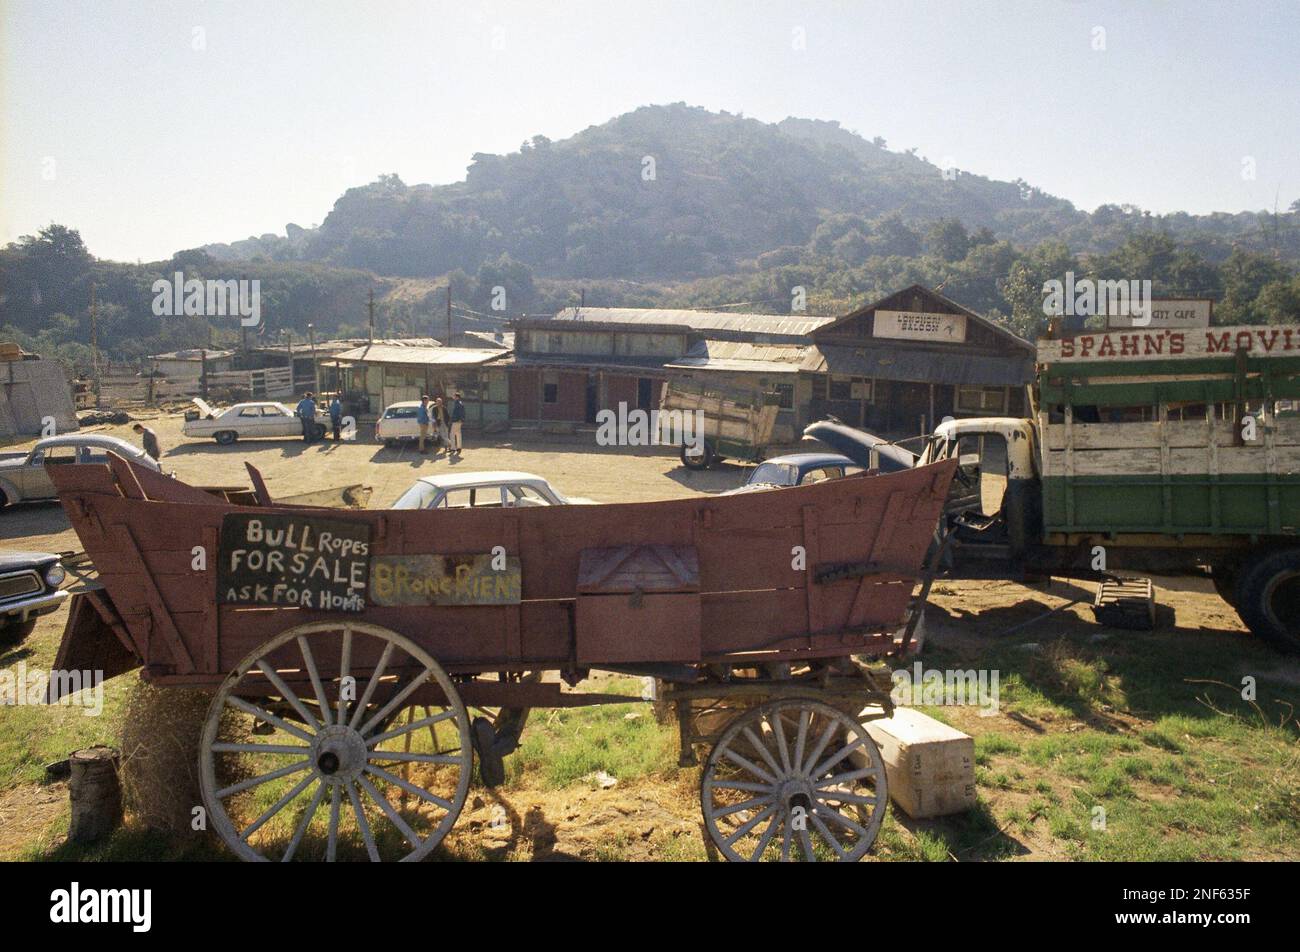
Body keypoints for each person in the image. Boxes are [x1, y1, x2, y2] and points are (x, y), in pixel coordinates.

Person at [449, 392, 465, 457]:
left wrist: (460, 419)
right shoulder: (459, 403)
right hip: (458, 420)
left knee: (452, 434)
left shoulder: (458, 403)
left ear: (457, 397)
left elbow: (461, 412)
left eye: (454, 396)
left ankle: (453, 448)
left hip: (456, 420)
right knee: (458, 434)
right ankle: (459, 447)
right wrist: (462, 420)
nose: (453, 397)